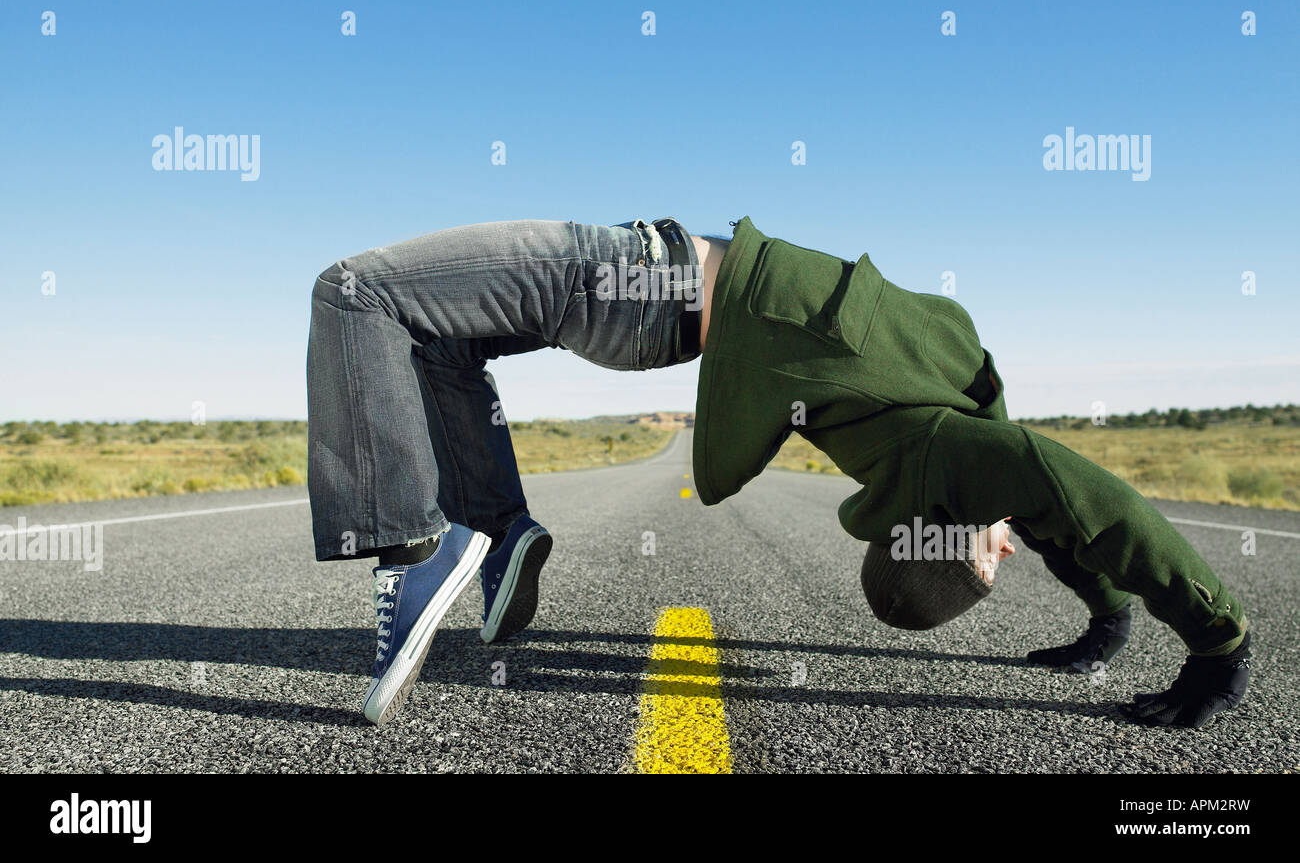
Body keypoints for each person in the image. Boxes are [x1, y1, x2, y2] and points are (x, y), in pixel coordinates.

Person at [306, 215, 1251, 729]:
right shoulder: (970, 443)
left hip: (645, 281)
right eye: (999, 558)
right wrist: (1109, 614)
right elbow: (1069, 512)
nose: (1010, 553)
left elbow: (1092, 502)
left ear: (937, 526)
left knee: (359, 289)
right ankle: (499, 530)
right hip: (657, 297)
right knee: (439, 341)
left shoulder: (951, 458)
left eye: (992, 560)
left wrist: (1219, 644)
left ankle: (409, 542)